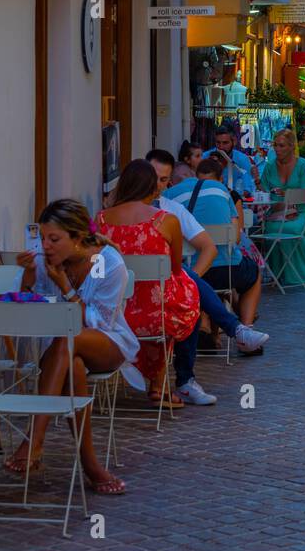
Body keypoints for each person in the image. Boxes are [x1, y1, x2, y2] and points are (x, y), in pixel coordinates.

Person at [5, 200, 141, 493]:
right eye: (43, 238)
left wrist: (65, 286)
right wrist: (28, 275)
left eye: (54, 239)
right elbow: (32, 303)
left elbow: (96, 323)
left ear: (78, 238)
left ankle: (34, 438)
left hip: (107, 343)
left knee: (70, 338)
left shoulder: (109, 263)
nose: (46, 246)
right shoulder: (45, 262)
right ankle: (90, 464)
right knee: (72, 361)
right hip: (63, 352)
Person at [147, 150, 269, 390]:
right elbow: (233, 236)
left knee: (190, 287)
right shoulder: (222, 192)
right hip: (203, 275)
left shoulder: (171, 206)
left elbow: (206, 248)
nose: (158, 186)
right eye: (155, 178)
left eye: (163, 180)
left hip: (169, 282)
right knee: (248, 272)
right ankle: (241, 330)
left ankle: (210, 329)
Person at [97, 161, 200, 408]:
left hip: (113, 312)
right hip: (155, 315)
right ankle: (160, 384)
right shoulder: (166, 220)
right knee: (185, 293)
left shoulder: (100, 220)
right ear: (152, 187)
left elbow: (97, 268)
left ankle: (154, 381)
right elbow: (174, 269)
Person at [168, 156, 265, 335]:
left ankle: (205, 326)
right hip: (228, 270)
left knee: (205, 280)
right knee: (254, 273)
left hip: (189, 272)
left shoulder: (166, 198)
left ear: (170, 181)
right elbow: (235, 237)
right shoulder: (221, 189)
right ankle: (246, 328)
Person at [258, 128, 305, 289]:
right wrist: (257, 182)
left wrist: (285, 194)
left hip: (302, 212)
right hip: (276, 213)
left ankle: (303, 274)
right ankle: (279, 274)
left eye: (282, 146)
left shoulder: (302, 165)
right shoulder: (270, 166)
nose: (277, 149)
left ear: (292, 147)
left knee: (292, 228)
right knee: (270, 227)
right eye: (275, 145)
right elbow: (262, 191)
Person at [214, 122, 257, 196]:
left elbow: (248, 187)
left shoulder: (242, 159)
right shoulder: (206, 157)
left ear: (234, 142)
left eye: (225, 143)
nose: (221, 147)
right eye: (218, 143)